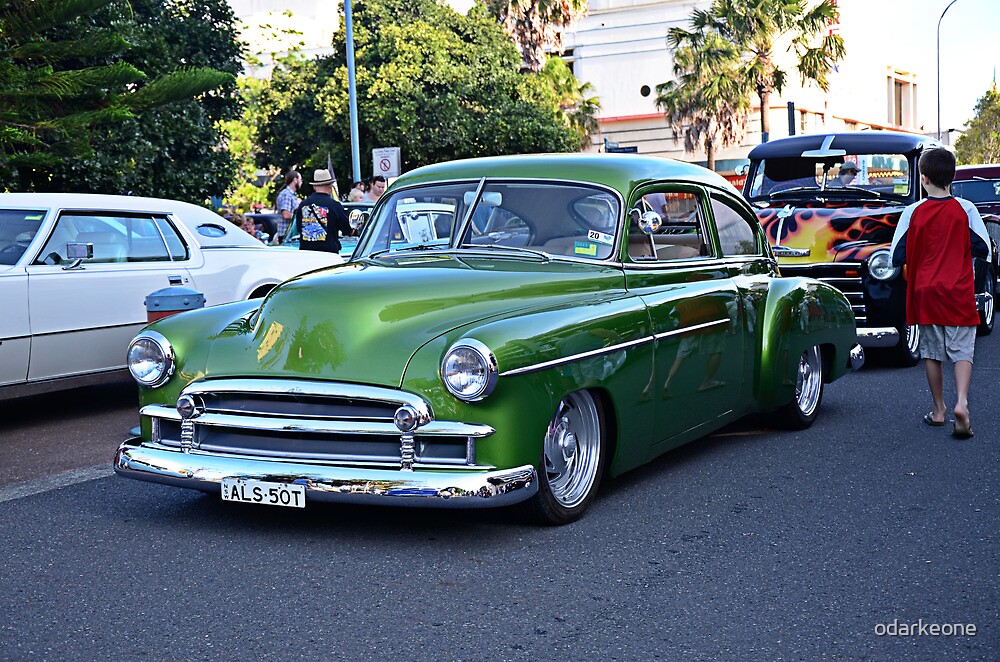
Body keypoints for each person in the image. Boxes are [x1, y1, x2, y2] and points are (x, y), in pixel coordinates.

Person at [889, 147, 991, 438]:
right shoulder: (966, 209)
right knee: (962, 351)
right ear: (953, 177)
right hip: (957, 289)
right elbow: (983, 249)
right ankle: (962, 404)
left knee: (932, 353)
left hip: (925, 291)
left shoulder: (913, 212)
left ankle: (939, 410)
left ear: (923, 179)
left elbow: (896, 256)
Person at [296, 168, 355, 253]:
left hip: (306, 255)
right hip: (329, 255)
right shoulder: (335, 206)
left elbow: (299, 228)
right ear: (330, 186)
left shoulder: (303, 205)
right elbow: (347, 230)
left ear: (314, 186)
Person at [274, 169, 301, 244]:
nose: (301, 182)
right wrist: (300, 217)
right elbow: (285, 214)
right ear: (295, 180)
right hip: (286, 235)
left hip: (289, 235)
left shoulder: (291, 195)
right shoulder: (287, 194)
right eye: (300, 180)